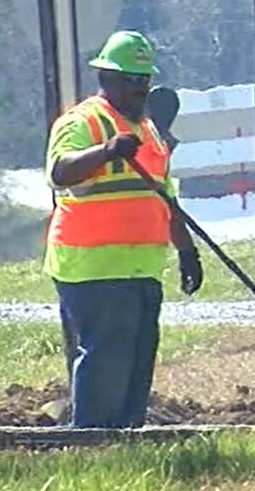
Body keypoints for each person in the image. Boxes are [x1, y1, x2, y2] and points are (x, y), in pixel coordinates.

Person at [43, 30, 204, 428]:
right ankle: (91, 442)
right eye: (131, 80)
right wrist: (107, 150)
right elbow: (60, 172)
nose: (140, 88)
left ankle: (127, 438)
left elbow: (164, 196)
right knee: (106, 359)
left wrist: (187, 251)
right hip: (92, 266)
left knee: (136, 359)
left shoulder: (149, 130)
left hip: (142, 268)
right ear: (107, 79)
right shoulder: (83, 122)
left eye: (144, 80)